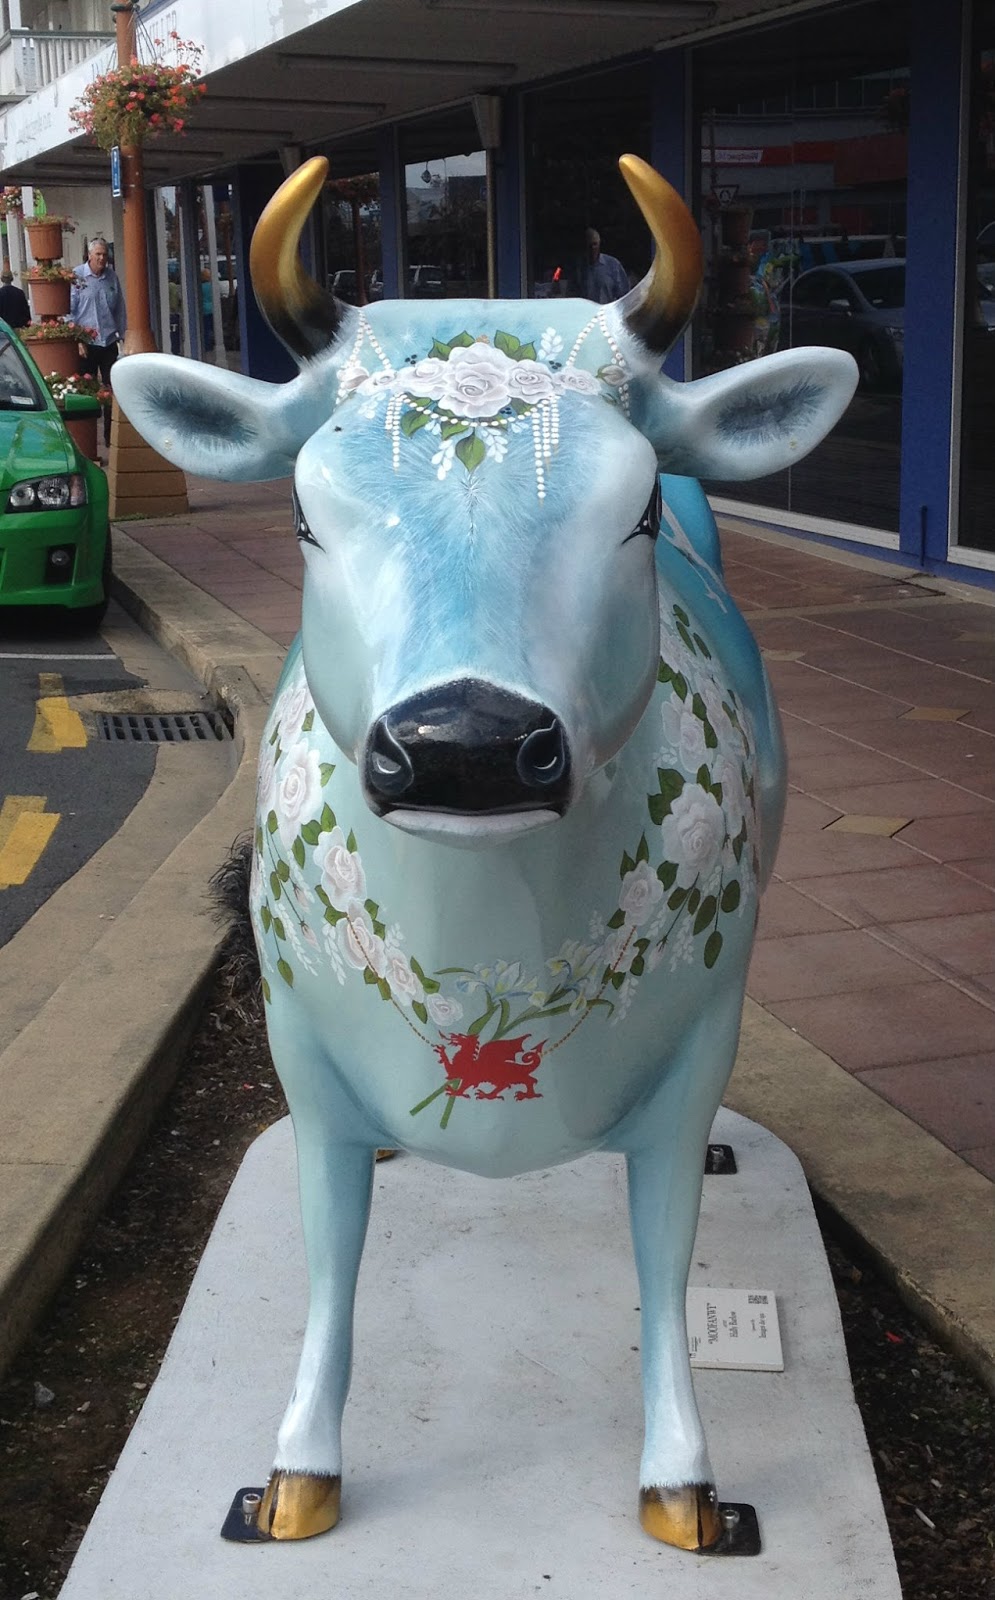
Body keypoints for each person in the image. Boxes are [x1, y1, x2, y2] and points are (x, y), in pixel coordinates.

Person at [69, 238, 126, 446]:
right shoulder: (77, 276)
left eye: (105, 255)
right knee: (88, 390)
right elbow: (69, 311)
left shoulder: (112, 277)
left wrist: (123, 337)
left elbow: (120, 308)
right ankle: (88, 441)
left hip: (109, 340)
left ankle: (111, 439)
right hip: (86, 343)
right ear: (90, 256)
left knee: (112, 388)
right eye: (98, 255)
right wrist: (77, 340)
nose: (102, 258)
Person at [576, 227, 629, 304]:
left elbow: (624, 295)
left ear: (599, 243)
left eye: (594, 244)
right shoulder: (578, 268)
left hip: (607, 312)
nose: (592, 248)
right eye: (589, 245)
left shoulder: (613, 265)